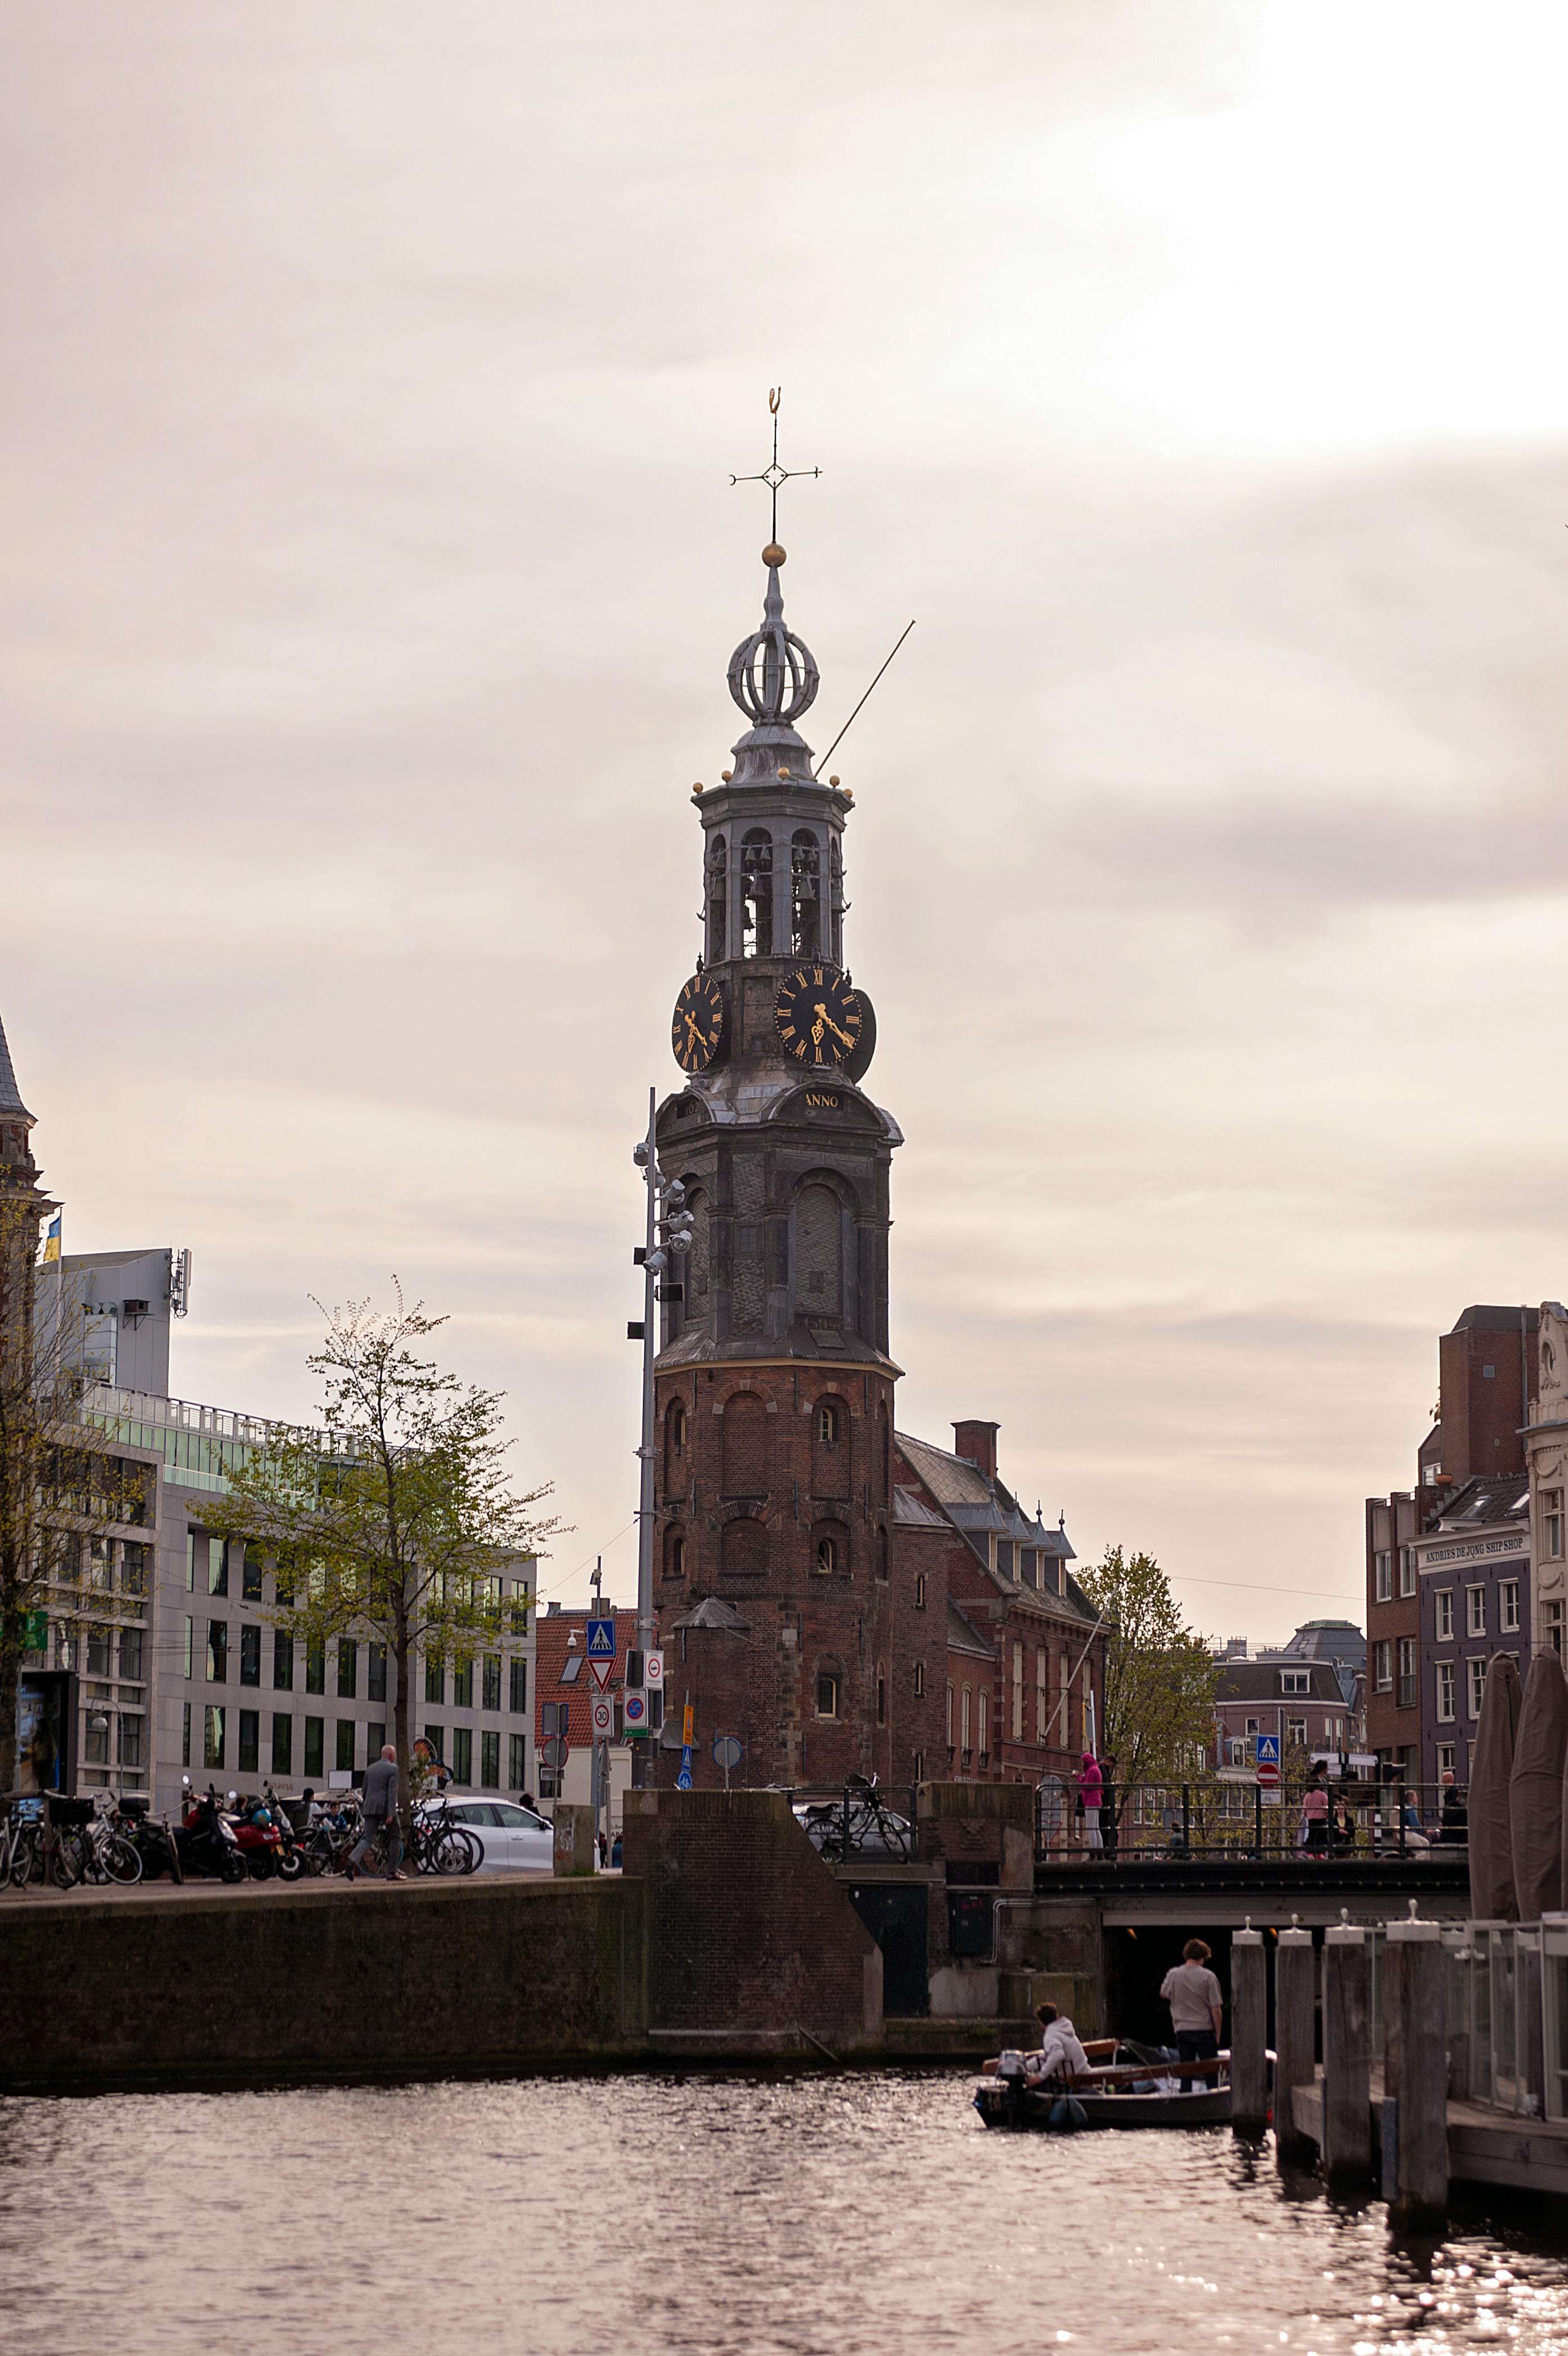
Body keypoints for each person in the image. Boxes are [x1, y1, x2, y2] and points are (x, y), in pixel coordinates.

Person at [1160, 1937, 1224, 2089]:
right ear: (1202, 1958)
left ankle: (1186, 2101)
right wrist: (1218, 2033)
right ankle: (1213, 2102)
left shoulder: (1173, 1974)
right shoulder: (1209, 1977)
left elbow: (1164, 1994)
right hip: (1204, 2031)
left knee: (1186, 2073)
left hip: (1183, 2030)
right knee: (1211, 2073)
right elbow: (1216, 2009)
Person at [345, 1744, 403, 1882]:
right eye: (394, 1756)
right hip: (384, 1808)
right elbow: (392, 1792)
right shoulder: (393, 1769)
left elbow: (365, 1790)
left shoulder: (370, 1769)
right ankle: (391, 1871)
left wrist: (366, 1806)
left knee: (368, 1838)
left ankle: (351, 1861)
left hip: (370, 1807)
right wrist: (391, 1812)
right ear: (391, 1756)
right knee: (396, 1837)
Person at [1026, 2001, 1090, 2084]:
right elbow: (1047, 2057)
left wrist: (1040, 2077)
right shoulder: (1065, 2029)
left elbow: (1057, 2055)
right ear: (1057, 2016)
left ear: (1041, 2023)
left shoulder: (1051, 2035)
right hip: (1084, 2072)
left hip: (1071, 2080)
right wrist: (1026, 2066)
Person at [1077, 1753, 1104, 1853]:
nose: (1082, 1764)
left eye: (1083, 1762)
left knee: (1091, 1828)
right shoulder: (1095, 1769)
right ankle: (1100, 1851)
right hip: (1096, 1800)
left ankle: (1094, 1852)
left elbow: (1087, 1785)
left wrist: (1079, 1777)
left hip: (1091, 1801)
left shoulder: (1092, 1770)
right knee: (1096, 1827)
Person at [1300, 1768, 1329, 1857]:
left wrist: (1306, 1814)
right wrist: (1327, 1815)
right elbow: (1327, 1806)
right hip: (1321, 1818)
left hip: (1311, 1818)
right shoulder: (1323, 1795)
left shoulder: (1308, 1796)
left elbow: (1305, 1808)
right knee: (1322, 1836)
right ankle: (1320, 1853)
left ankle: (1309, 1853)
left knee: (1312, 1835)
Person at [1394, 1787, 1430, 1851]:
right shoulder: (1409, 1809)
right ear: (1412, 1798)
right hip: (1408, 1833)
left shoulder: (1407, 1807)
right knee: (1421, 1852)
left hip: (1402, 1833)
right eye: (1416, 1797)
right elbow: (1414, 1823)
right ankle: (1418, 1861)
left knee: (1426, 1843)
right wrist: (1425, 1831)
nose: (1417, 1799)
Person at [1438, 1770, 1468, 1847]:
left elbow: (1452, 1809)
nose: (1442, 1780)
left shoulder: (1453, 1792)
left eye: (1444, 1778)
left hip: (1451, 1826)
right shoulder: (1453, 1792)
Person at [1099, 1753, 1120, 1860]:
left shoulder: (1103, 1769)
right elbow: (1106, 1783)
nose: (1112, 1768)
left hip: (1105, 1804)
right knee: (1106, 1827)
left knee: (1107, 1828)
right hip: (1104, 1804)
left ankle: (1105, 1851)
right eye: (1112, 1766)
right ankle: (1107, 1852)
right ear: (1109, 1762)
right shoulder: (1103, 1768)